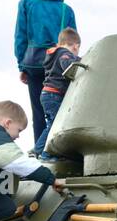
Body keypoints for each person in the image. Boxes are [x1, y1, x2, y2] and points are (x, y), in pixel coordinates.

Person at [14, 0, 77, 138]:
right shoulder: (66, 9)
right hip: (58, 64)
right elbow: (73, 42)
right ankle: (56, 150)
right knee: (60, 109)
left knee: (38, 111)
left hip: (33, 63)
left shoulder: (26, 2)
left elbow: (20, 36)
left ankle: (39, 151)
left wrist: (22, 66)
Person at [33, 27, 81, 160]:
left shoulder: (53, 55)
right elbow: (68, 65)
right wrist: (81, 62)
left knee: (51, 124)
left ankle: (37, 149)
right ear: (76, 46)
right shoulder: (65, 54)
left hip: (47, 94)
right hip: (55, 95)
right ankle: (46, 153)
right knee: (57, 126)